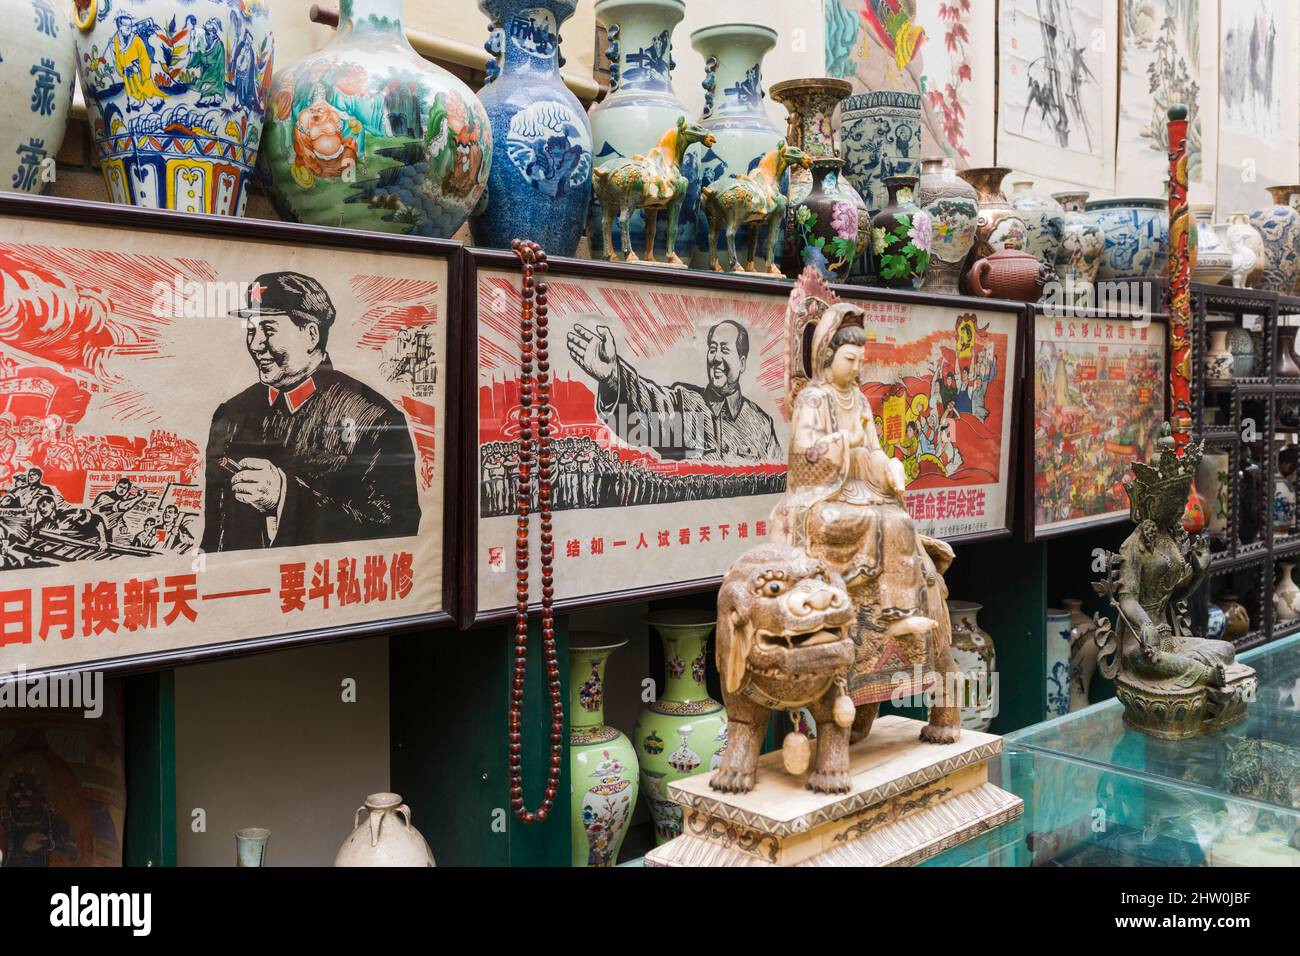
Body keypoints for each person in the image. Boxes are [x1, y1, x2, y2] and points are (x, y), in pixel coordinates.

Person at [201, 272, 421, 552]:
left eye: (268, 330)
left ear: (311, 334)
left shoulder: (374, 417)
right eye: (251, 330)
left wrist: (284, 496)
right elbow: (215, 534)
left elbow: (397, 531)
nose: (256, 344)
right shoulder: (230, 414)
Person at [566, 319, 781, 463]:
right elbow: (644, 408)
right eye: (712, 349)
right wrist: (613, 375)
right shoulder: (686, 407)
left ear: (742, 362)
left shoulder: (761, 425)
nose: (716, 358)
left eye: (724, 350)